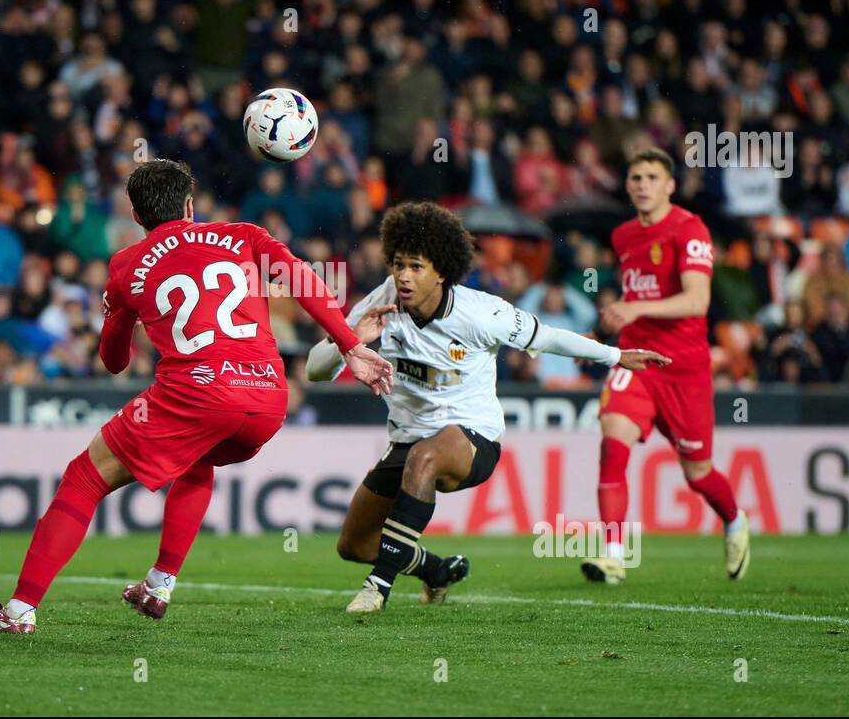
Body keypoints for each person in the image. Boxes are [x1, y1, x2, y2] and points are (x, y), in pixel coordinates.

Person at [0, 159, 392, 632]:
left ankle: (19, 611)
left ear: (137, 216)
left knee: (84, 477)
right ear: (189, 204)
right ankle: (159, 583)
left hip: (199, 392)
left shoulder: (126, 265)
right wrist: (350, 345)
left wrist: (122, 314)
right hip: (268, 396)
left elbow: (114, 360)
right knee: (195, 458)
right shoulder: (245, 235)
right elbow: (304, 280)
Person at [306, 201, 668, 613]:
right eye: (398, 264)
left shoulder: (481, 314)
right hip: (407, 441)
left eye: (416, 267)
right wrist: (350, 338)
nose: (404, 276)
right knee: (353, 544)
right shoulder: (382, 301)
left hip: (473, 438)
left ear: (441, 270)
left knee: (425, 458)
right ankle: (437, 570)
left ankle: (379, 586)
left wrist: (615, 356)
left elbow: (548, 337)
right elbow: (317, 372)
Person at [586, 148, 751, 584]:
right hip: (636, 360)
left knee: (697, 473)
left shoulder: (690, 228)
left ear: (670, 185)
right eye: (636, 177)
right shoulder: (622, 236)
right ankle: (613, 556)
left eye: (652, 177)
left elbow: (698, 300)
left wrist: (637, 308)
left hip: (684, 368)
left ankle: (734, 520)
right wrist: (612, 323)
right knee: (612, 443)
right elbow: (634, 297)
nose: (643, 185)